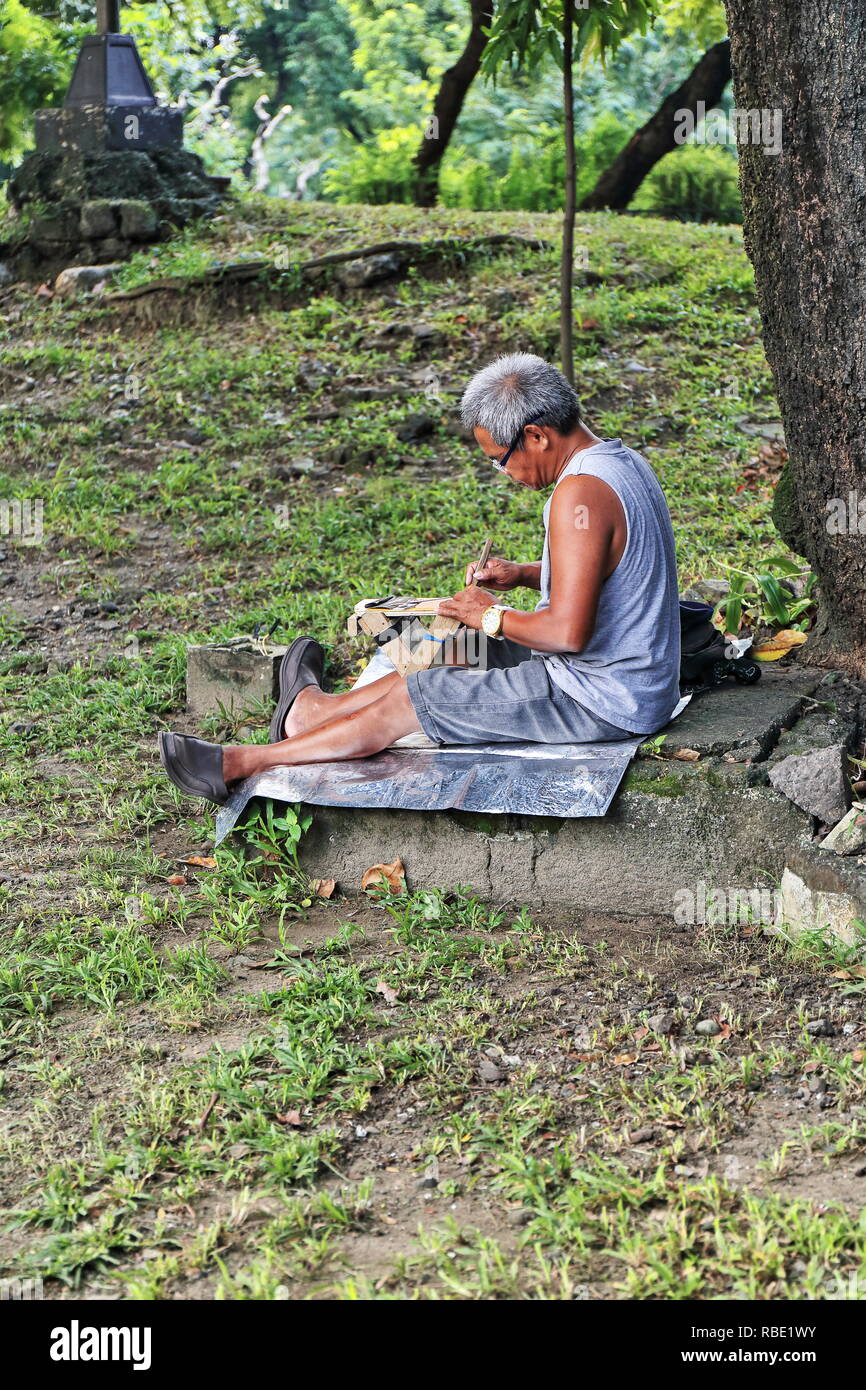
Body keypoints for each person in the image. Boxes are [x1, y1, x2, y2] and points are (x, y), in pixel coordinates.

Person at [158, 352, 681, 805]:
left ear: (536, 435)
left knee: (419, 696)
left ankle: (242, 763)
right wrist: (522, 574)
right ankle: (318, 713)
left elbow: (568, 633)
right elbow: (614, 566)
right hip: (621, 677)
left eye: (500, 461)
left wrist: (490, 614)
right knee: (452, 649)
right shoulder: (619, 463)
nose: (506, 475)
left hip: (600, 697)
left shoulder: (578, 495)